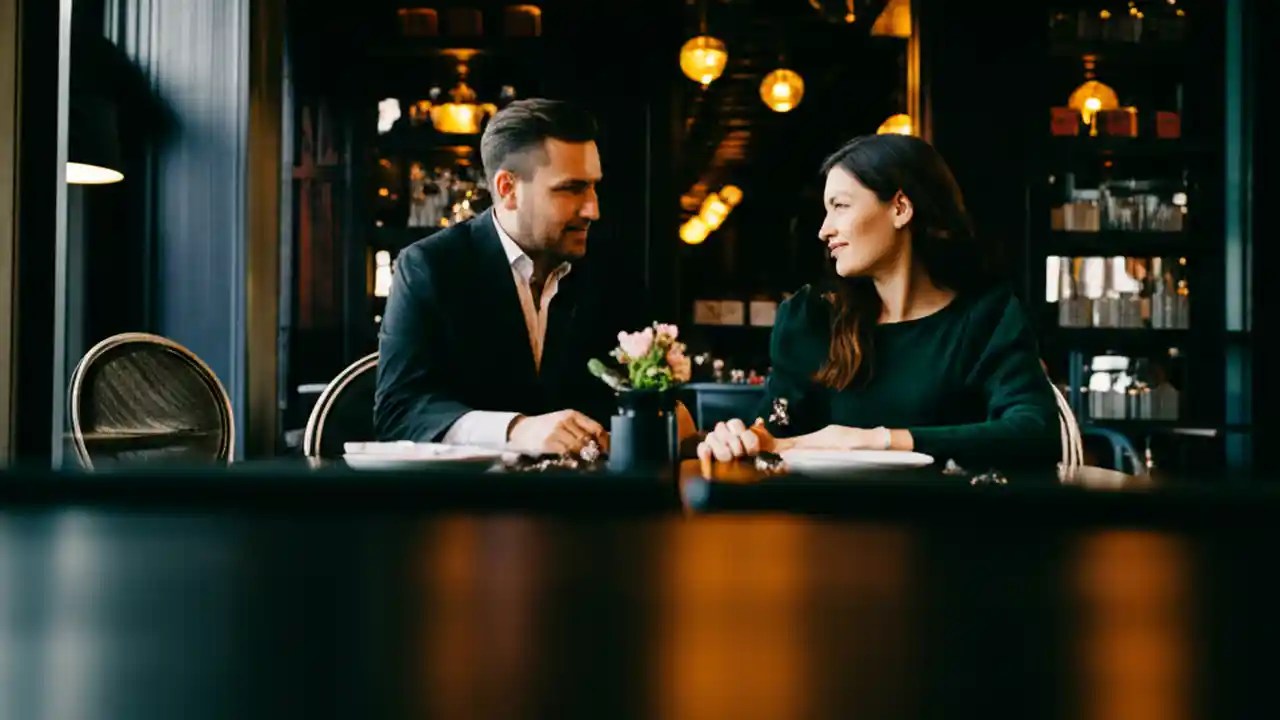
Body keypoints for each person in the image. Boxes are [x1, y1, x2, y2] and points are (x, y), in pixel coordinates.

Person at [698, 133, 1060, 469]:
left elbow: (1035, 432)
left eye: (840, 206)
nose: (824, 229)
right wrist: (744, 438)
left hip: (950, 516)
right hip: (827, 515)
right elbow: (777, 429)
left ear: (900, 207)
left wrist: (877, 440)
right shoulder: (812, 317)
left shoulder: (987, 317)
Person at [375, 98, 693, 456]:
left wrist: (678, 423)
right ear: (508, 189)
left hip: (591, 489)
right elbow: (398, 412)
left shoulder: (611, 272)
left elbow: (650, 404)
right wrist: (516, 430)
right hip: (470, 490)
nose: (593, 209)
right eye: (571, 188)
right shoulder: (430, 267)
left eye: (593, 187)